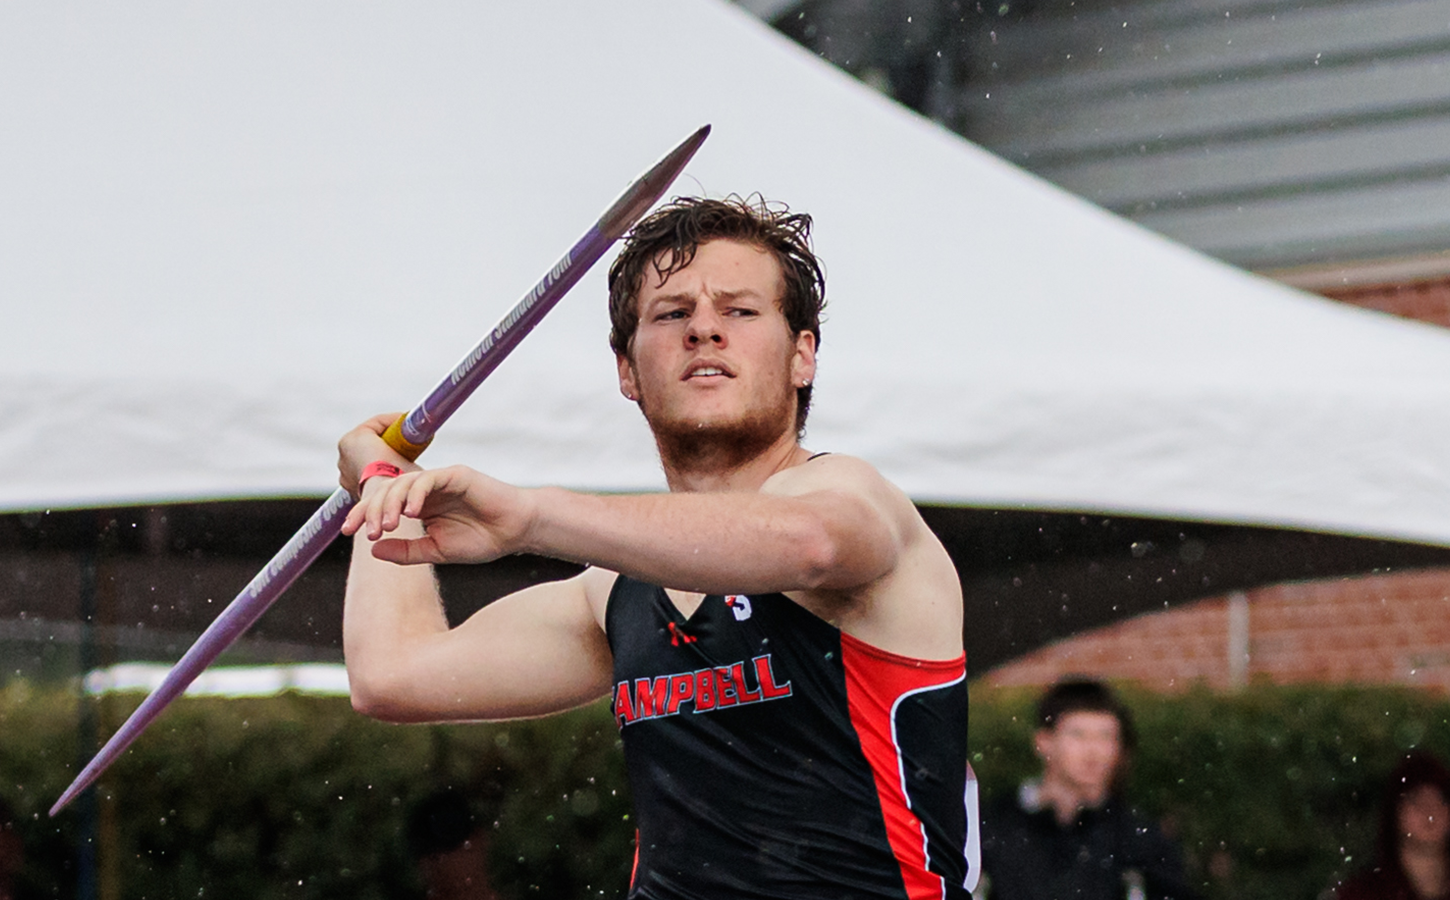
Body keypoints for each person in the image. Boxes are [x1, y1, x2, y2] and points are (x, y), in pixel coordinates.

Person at [337, 196, 973, 899]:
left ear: (802, 357)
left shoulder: (855, 498)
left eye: (739, 311)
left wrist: (531, 517)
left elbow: (809, 543)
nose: (704, 328)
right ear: (628, 372)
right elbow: (392, 674)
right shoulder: (615, 591)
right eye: (672, 314)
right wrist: (383, 488)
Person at [978, 678, 1194, 900]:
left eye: (1106, 736)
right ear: (1043, 741)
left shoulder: (1138, 838)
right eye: (1078, 735)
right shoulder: (993, 827)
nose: (1094, 751)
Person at [1333, 751, 1450, 900]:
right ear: (1395, 811)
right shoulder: (1363, 894)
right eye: (1416, 800)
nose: (1430, 811)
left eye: (1441, 800)